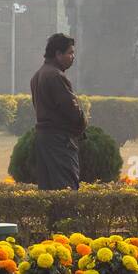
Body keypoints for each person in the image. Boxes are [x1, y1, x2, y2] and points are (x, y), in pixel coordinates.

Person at [30, 33, 87, 190]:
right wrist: (83, 123)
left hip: (44, 138)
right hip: (60, 140)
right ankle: (67, 216)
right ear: (58, 54)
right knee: (67, 188)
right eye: (70, 53)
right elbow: (72, 111)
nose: (72, 57)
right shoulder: (55, 76)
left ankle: (56, 216)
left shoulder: (38, 75)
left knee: (49, 190)